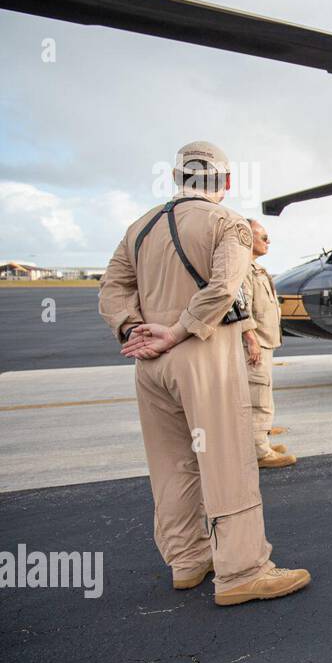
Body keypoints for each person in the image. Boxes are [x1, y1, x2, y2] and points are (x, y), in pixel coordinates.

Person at [99, 141, 310, 606]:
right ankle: (242, 570)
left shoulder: (139, 227)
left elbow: (112, 286)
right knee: (227, 461)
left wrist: (134, 328)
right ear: (227, 182)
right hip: (201, 353)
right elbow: (223, 288)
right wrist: (177, 331)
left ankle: (188, 559)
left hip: (149, 362)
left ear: (177, 178)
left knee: (171, 463)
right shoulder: (228, 223)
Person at [242, 219, 295, 469]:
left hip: (264, 343)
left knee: (263, 396)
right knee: (258, 400)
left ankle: (260, 441)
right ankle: (260, 453)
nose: (268, 241)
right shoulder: (243, 270)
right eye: (263, 237)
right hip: (255, 345)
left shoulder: (256, 269)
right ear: (246, 238)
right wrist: (251, 340)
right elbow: (242, 310)